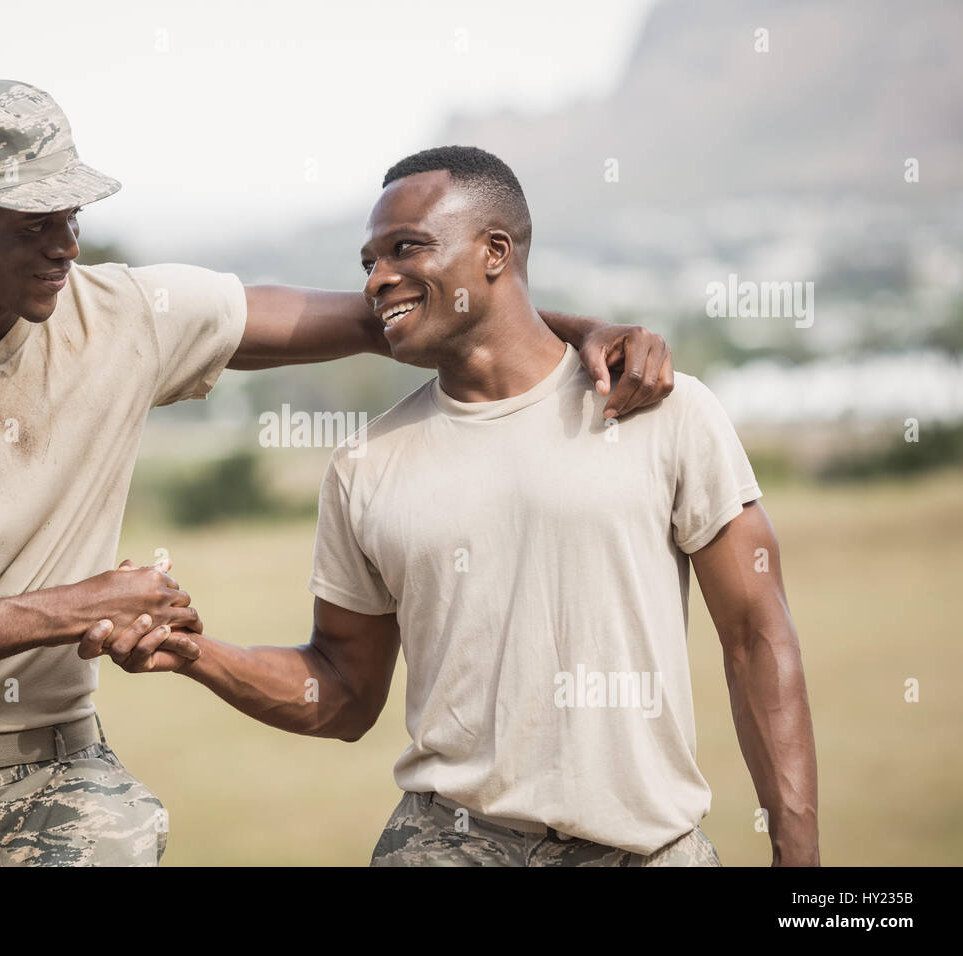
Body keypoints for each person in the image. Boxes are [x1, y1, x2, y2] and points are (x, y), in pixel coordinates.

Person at [0, 79, 673, 867]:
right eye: (32, 222)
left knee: (120, 838)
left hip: (55, 769)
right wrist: (73, 607)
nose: (65, 244)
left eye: (72, 214)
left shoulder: (123, 315)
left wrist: (587, 333)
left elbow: (403, 312)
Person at [109, 146, 820, 867]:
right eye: (369, 262)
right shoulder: (364, 464)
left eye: (406, 248)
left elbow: (756, 636)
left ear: (494, 252)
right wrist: (196, 653)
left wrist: (799, 859)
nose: (377, 280)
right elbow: (343, 693)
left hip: (648, 850)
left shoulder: (661, 409)